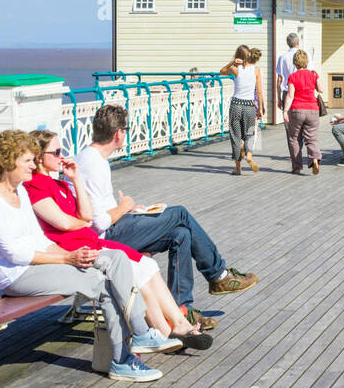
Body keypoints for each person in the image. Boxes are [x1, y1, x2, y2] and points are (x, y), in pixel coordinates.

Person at [0, 130, 176, 383]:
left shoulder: (19, 192)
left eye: (34, 159)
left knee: (116, 259)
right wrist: (67, 260)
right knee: (102, 283)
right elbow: (15, 254)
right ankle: (125, 356)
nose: (34, 165)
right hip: (17, 276)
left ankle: (134, 342)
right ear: (8, 161)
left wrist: (73, 254)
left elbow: (40, 241)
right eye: (28, 161)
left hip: (39, 262)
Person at [76, 104, 258, 332]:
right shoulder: (92, 164)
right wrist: (125, 206)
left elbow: (101, 209)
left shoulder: (93, 158)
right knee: (179, 213)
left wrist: (132, 210)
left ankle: (182, 309)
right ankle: (218, 274)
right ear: (118, 134)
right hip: (106, 238)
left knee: (180, 234)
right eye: (127, 129)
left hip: (116, 227)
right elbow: (99, 223)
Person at [25, 130, 208, 347]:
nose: (62, 156)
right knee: (136, 267)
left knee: (146, 263)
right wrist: (83, 224)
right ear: (38, 157)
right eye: (56, 152)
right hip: (74, 249)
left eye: (61, 150)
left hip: (90, 241)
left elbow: (86, 215)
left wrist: (76, 179)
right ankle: (165, 330)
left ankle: (176, 324)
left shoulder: (61, 184)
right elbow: (63, 223)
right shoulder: (34, 186)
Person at [283, 48, 324, 174]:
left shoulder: (292, 77)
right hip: (312, 110)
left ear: (295, 63)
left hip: (297, 110)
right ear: (306, 62)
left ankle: (296, 167)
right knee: (311, 139)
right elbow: (321, 89)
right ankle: (315, 159)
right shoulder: (313, 74)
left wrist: (285, 111)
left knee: (294, 138)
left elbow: (290, 95)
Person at [221, 44, 260, 174]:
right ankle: (249, 154)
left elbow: (221, 71)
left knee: (235, 136)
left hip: (236, 105)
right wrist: (260, 108)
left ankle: (238, 169)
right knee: (249, 134)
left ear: (238, 56)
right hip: (249, 106)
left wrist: (232, 62)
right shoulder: (256, 70)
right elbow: (259, 92)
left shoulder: (234, 69)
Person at [275, 32, 300, 119]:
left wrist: (278, 98)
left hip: (286, 92)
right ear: (298, 42)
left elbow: (279, 79)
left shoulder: (282, 57)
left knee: (288, 123)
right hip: (301, 92)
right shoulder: (304, 55)